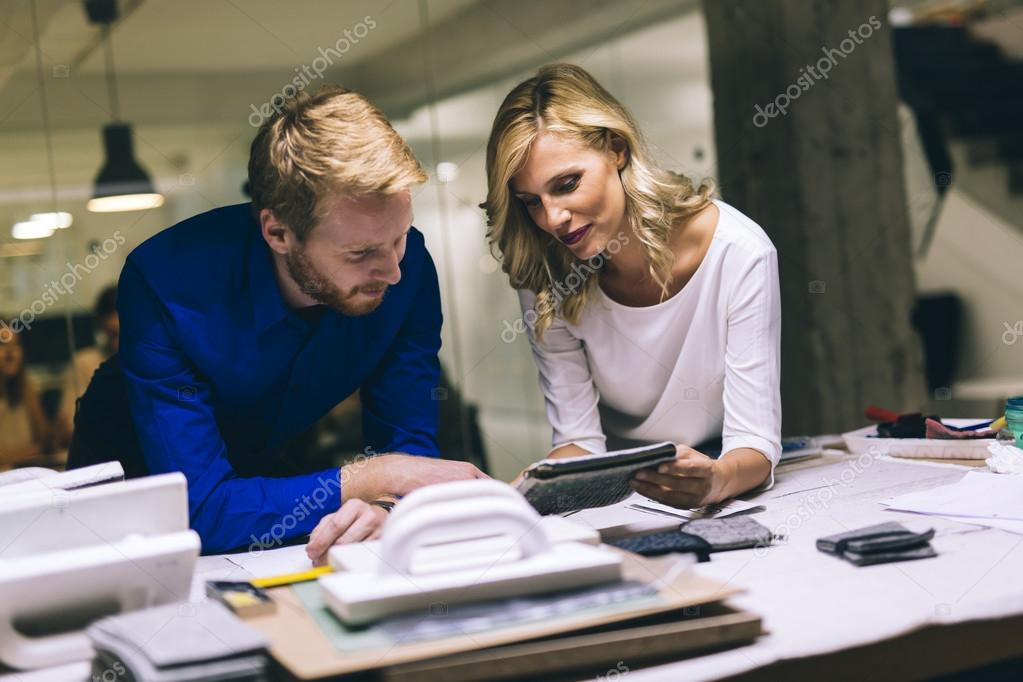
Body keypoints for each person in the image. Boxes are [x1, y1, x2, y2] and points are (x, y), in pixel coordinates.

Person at [69, 85, 485, 560]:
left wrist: (388, 505)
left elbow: (408, 448)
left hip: (270, 469)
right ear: (278, 232)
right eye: (362, 252)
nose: (392, 269)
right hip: (133, 483)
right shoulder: (165, 283)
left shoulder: (408, 272)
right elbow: (202, 511)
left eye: (399, 237)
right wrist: (373, 478)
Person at [482, 64, 781, 508]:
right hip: (617, 495)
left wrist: (715, 480)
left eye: (567, 185)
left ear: (616, 149)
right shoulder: (545, 273)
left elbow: (754, 441)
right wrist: (512, 497)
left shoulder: (738, 251)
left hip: (722, 478)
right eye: (531, 202)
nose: (552, 219)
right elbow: (580, 442)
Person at [55, 284, 120, 446]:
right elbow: (69, 426)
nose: (117, 343)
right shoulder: (85, 362)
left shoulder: (148, 361)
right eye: (113, 335)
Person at [0, 324, 52, 470]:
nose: (10, 352)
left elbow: (44, 442)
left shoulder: (24, 388)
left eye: (16, 345)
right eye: (2, 345)